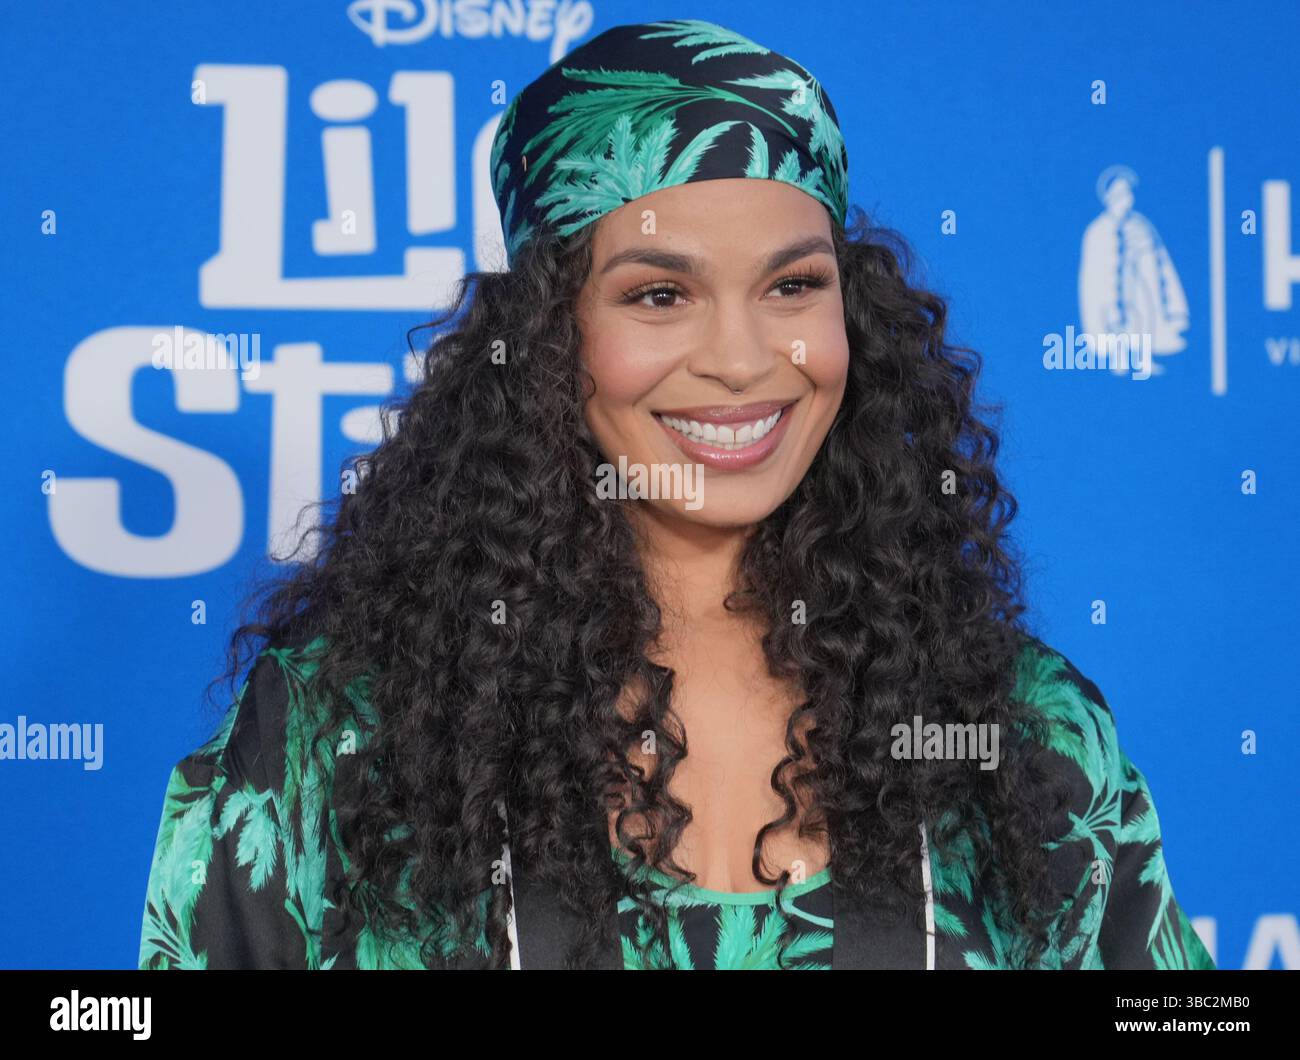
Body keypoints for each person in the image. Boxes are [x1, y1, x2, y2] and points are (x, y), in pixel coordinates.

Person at [138, 18, 1214, 971]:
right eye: (659, 295)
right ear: (550, 336)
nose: (742, 360)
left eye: (792, 286)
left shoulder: (1023, 731)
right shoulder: (334, 737)